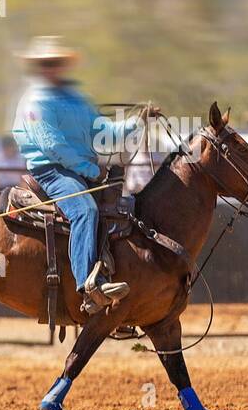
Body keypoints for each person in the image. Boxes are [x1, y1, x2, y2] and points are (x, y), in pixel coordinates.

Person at [11, 36, 158, 312]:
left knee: (117, 207)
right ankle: (87, 285)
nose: (51, 68)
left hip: (78, 168)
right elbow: (53, 147)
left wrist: (137, 121)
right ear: (39, 68)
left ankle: (109, 270)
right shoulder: (35, 102)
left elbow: (103, 130)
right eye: (46, 64)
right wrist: (90, 169)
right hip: (52, 171)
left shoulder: (75, 99)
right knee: (85, 210)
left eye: (55, 63)